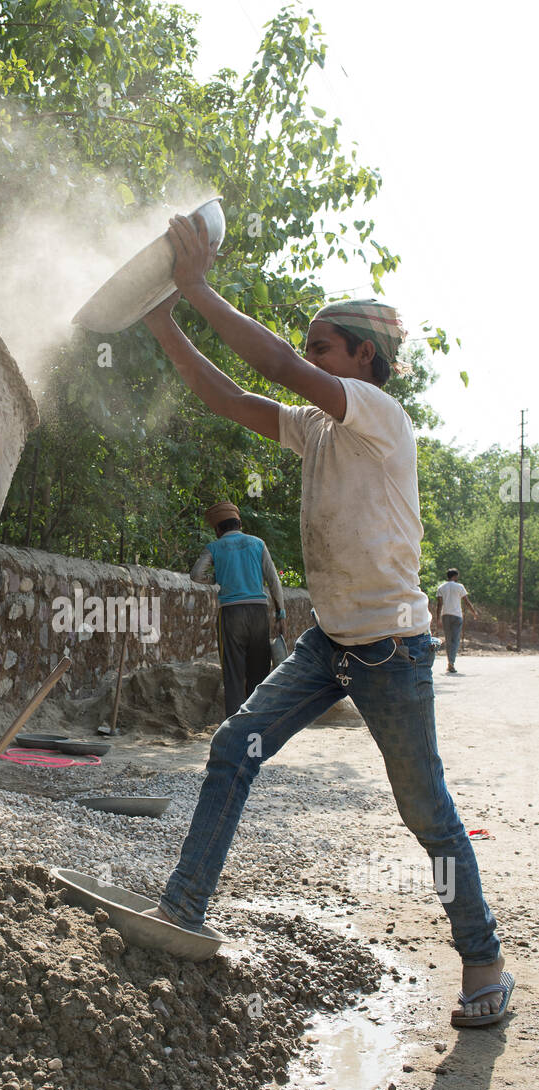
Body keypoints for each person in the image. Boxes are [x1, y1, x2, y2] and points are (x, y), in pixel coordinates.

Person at [140, 212, 513, 1029]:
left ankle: (481, 956)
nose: (305, 362)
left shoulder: (377, 415)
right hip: (325, 645)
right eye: (307, 350)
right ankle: (181, 906)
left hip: (392, 652)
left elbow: (267, 361)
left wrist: (197, 284)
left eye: (320, 350)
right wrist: (163, 316)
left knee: (428, 816)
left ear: (362, 362)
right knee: (230, 747)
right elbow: (230, 394)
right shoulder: (314, 428)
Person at [190, 501, 286, 716]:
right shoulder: (258, 544)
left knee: (233, 673)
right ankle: (257, 720)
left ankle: (235, 724)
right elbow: (273, 580)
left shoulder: (214, 547)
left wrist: (215, 578)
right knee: (259, 671)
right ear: (239, 523)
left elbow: (196, 575)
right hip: (259, 612)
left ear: (217, 529)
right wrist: (281, 614)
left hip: (231, 614)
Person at [436, 568, 478, 674]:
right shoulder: (460, 587)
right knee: (455, 640)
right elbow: (466, 602)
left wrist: (438, 619)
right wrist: (474, 612)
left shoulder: (441, 587)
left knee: (448, 640)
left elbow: (439, 605)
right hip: (457, 616)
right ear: (454, 576)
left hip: (445, 615)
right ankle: (451, 663)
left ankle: (449, 662)